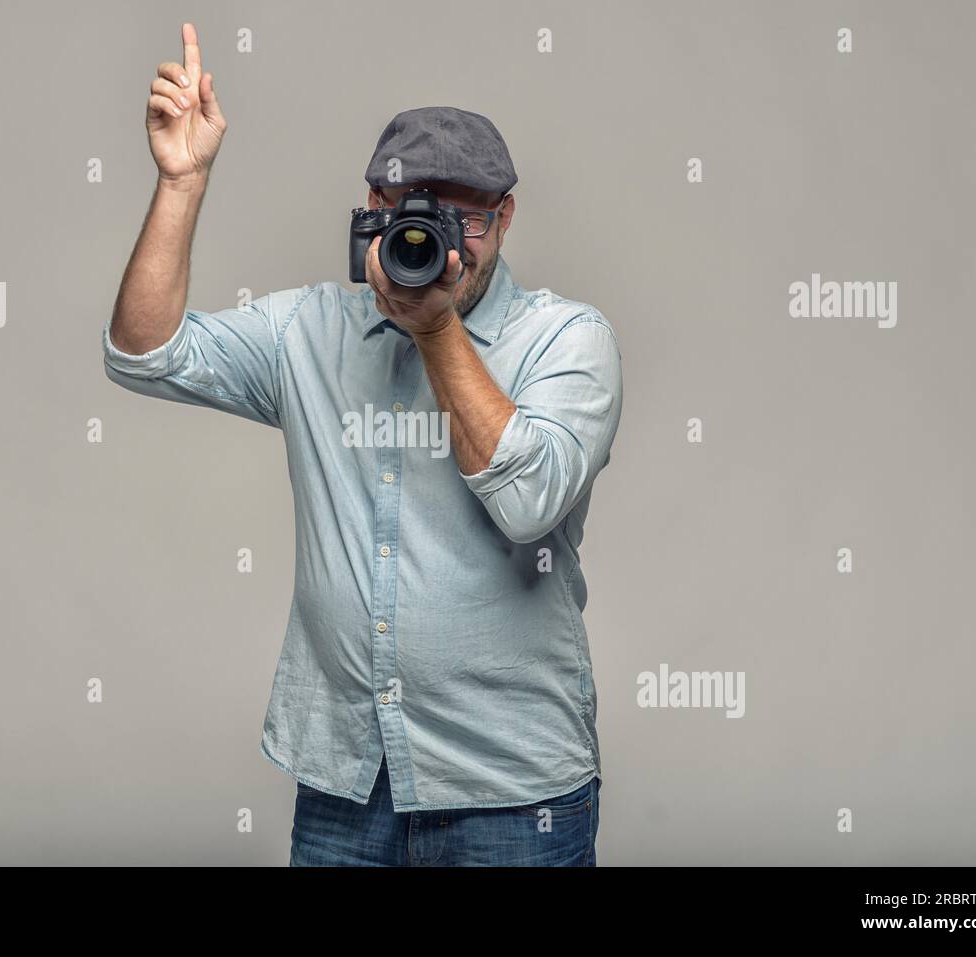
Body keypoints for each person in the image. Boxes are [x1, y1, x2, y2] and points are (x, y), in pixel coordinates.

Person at [103, 23, 623, 866]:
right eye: (414, 211)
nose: (442, 238)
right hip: (348, 779)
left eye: (469, 218)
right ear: (373, 212)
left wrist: (436, 327)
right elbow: (143, 352)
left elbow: (527, 502)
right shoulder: (311, 329)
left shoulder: (568, 340)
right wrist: (181, 184)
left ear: (507, 217)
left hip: (511, 788)